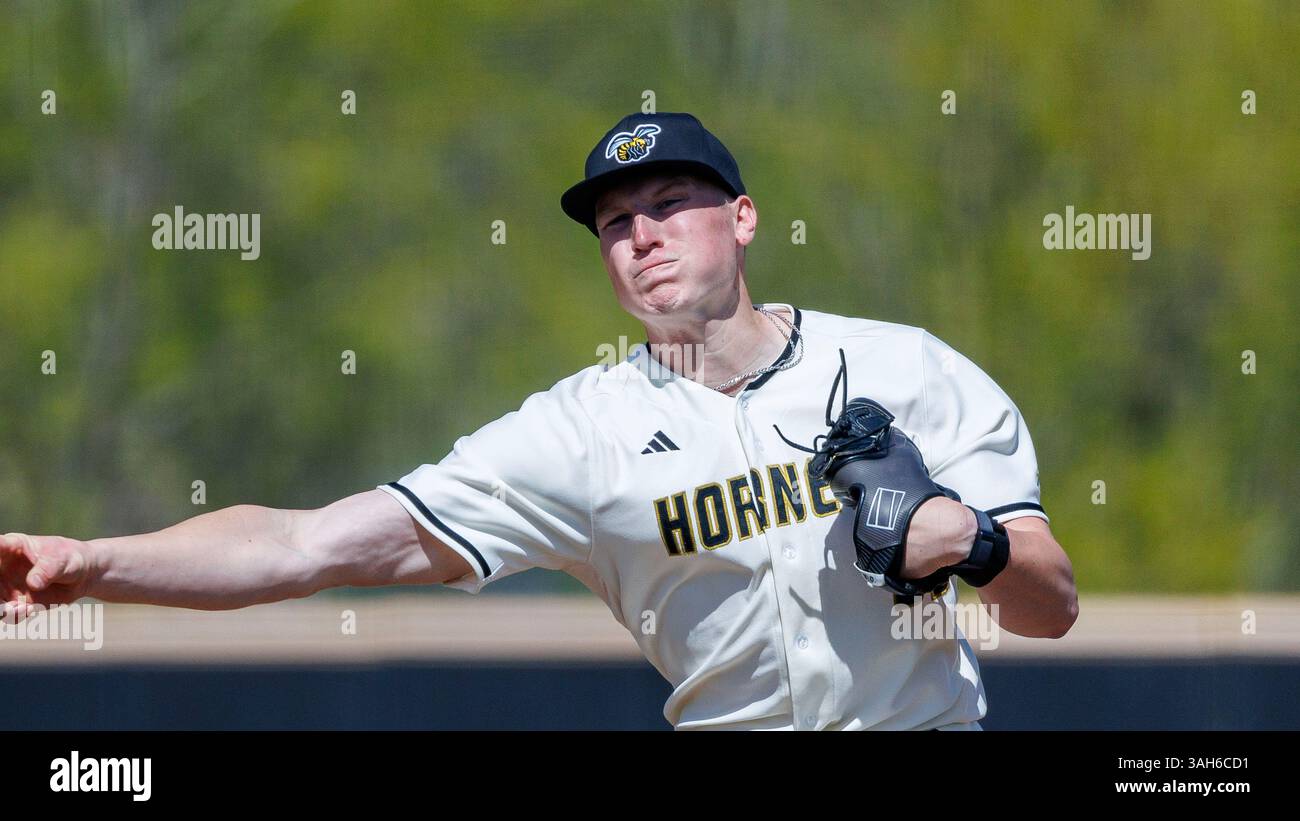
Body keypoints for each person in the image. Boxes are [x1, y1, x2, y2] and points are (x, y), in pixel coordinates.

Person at [0, 112, 1077, 730]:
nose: (641, 235)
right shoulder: (579, 433)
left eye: (668, 205)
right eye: (614, 222)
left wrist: (974, 542)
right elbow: (306, 541)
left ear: (742, 218)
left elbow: (1050, 604)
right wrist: (93, 561)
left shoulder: (908, 368)